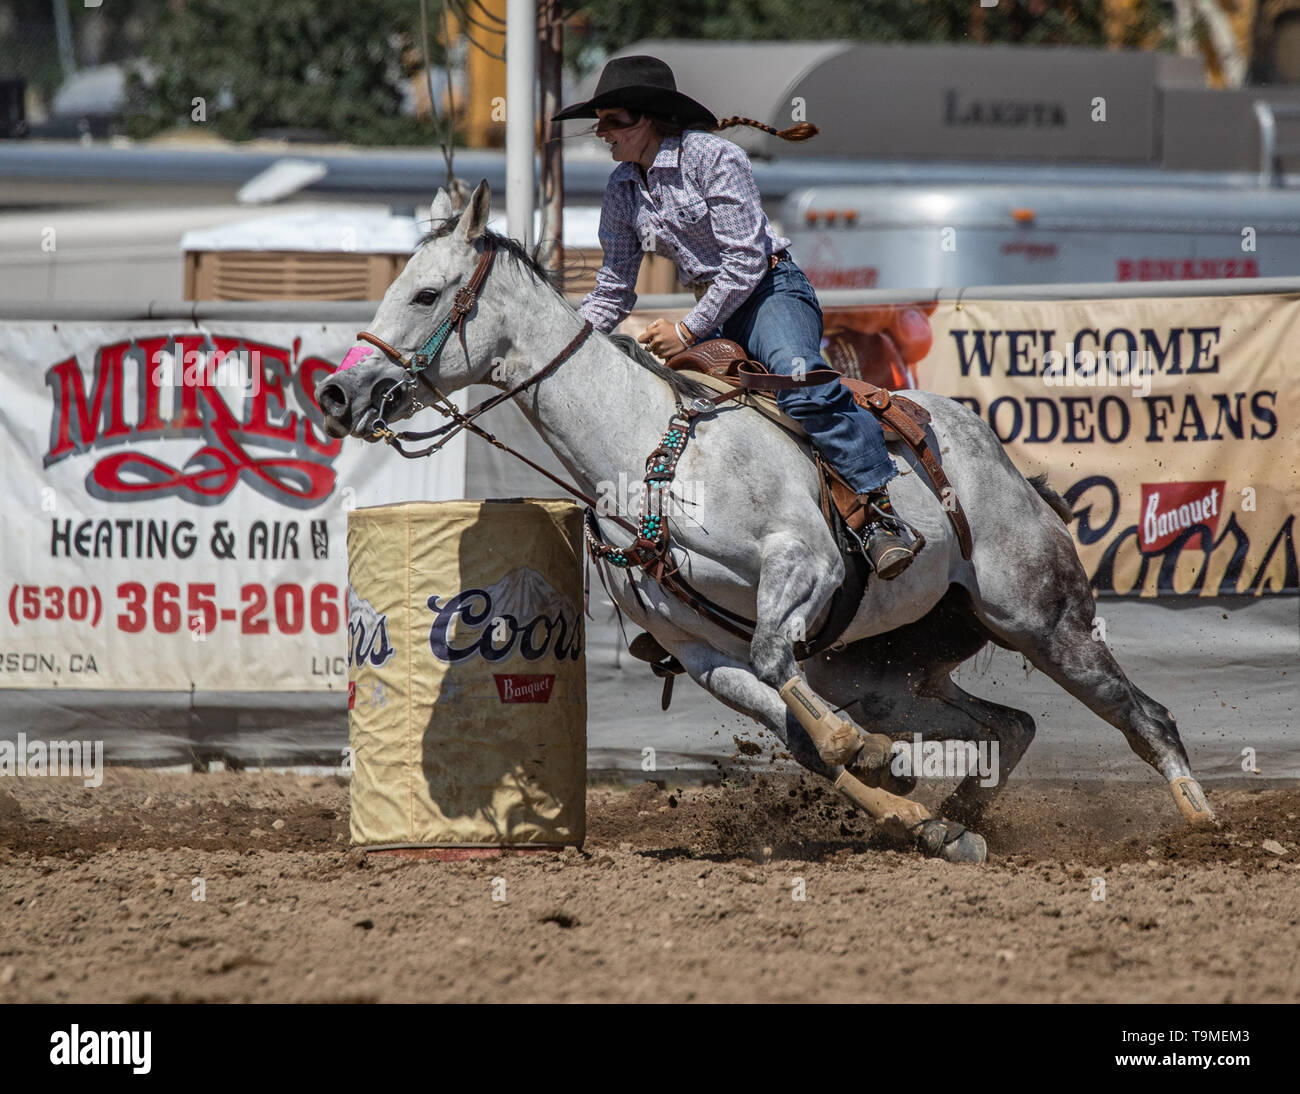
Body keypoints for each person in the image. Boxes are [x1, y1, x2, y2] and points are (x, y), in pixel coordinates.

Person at [555, 55, 917, 579]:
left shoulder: (713, 157)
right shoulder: (621, 188)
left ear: (648, 119)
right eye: (601, 122)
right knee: (668, 419)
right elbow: (613, 287)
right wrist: (572, 344)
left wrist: (685, 329)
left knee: (801, 380)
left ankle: (878, 510)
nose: (602, 133)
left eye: (614, 121)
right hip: (714, 308)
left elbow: (746, 260)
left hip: (770, 290)